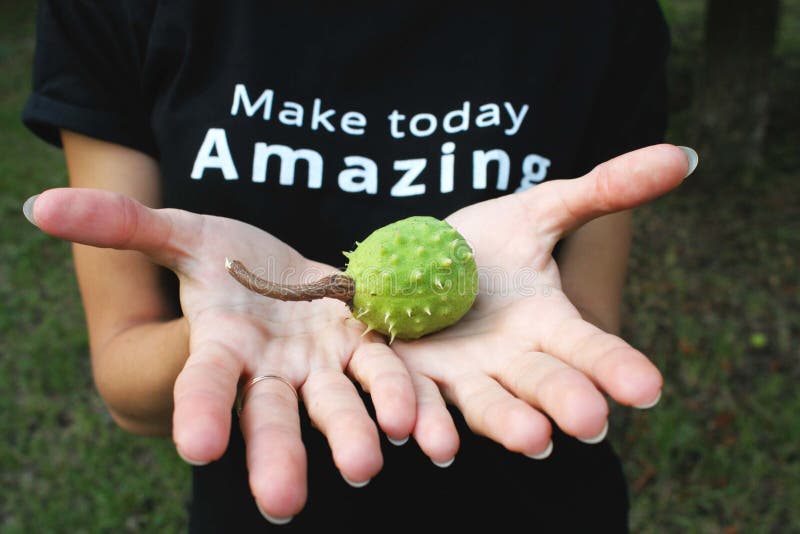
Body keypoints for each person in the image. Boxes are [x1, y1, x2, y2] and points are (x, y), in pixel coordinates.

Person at [21, 1, 696, 531]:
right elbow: (125, 390)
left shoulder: (604, 17)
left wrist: (522, 306)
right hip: (268, 503)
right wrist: (223, 334)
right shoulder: (116, 8)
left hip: (533, 507)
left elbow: (589, 325)